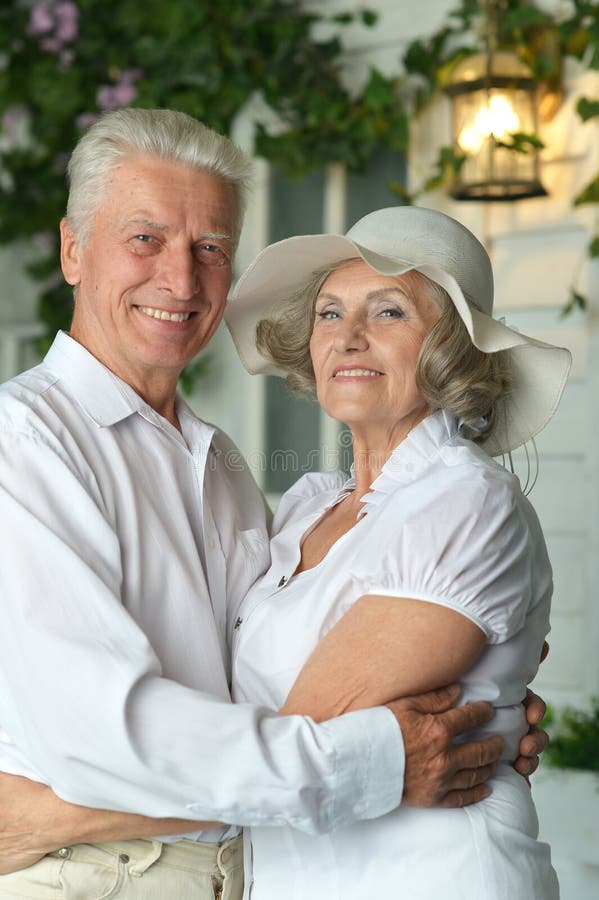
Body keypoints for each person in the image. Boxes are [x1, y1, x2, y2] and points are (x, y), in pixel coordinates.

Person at [0, 109, 546, 899]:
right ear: (73, 249)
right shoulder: (26, 441)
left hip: (257, 870)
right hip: (102, 878)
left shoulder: (222, 466)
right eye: (145, 239)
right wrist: (389, 757)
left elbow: (280, 704)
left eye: (210, 249)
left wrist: (486, 706)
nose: (181, 281)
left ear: (451, 347)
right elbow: (99, 732)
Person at [224, 205, 571, 899]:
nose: (347, 337)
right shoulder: (305, 507)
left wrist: (76, 796)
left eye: (387, 312)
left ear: (451, 348)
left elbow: (304, 743)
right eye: (328, 314)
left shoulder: (467, 500)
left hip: (434, 877)